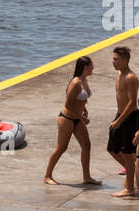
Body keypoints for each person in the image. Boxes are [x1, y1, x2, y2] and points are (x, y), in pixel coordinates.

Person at [43, 56, 100, 186]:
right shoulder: (75, 82)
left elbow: (79, 99)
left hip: (77, 118)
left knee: (86, 145)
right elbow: (68, 104)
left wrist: (84, 109)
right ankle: (47, 175)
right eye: (92, 65)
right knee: (62, 147)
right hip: (67, 118)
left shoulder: (84, 80)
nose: (93, 68)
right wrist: (82, 118)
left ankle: (87, 177)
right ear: (85, 67)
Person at [106, 46, 139, 198]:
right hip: (120, 115)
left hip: (130, 118)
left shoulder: (130, 78)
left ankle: (130, 188)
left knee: (127, 153)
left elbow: (132, 103)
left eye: (115, 59)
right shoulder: (119, 75)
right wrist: (117, 118)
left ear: (125, 60)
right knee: (112, 149)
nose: (112, 61)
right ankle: (132, 175)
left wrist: (119, 121)